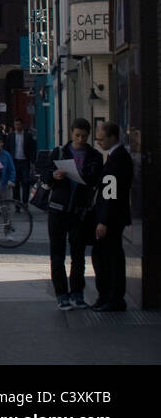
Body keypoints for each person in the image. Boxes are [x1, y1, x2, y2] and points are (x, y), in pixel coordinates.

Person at [48, 118, 101, 310]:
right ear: (71, 133)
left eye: (84, 136)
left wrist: (79, 174)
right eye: (77, 135)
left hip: (80, 212)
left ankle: (77, 293)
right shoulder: (59, 152)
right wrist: (54, 175)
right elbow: (45, 174)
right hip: (57, 210)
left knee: (78, 254)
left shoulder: (94, 155)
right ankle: (62, 295)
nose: (80, 139)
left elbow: (96, 178)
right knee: (57, 254)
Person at [89, 121, 132, 312]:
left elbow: (110, 193)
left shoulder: (117, 159)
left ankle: (113, 297)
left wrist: (103, 221)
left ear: (113, 137)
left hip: (111, 219)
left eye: (101, 139)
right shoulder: (116, 156)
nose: (98, 142)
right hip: (113, 216)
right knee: (105, 256)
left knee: (109, 257)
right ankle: (107, 296)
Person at [11, 119, 36, 210]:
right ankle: (17, 205)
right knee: (15, 184)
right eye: (16, 124)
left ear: (22, 125)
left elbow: (32, 148)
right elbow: (8, 148)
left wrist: (32, 161)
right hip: (15, 162)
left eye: (19, 124)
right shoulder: (11, 136)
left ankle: (25, 203)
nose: (17, 126)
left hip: (25, 162)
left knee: (25, 183)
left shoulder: (28, 136)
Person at [0, 133, 17, 205]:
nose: (1, 144)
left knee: (7, 210)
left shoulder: (6, 155)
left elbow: (12, 169)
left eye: (2, 142)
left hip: (5, 186)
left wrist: (11, 180)